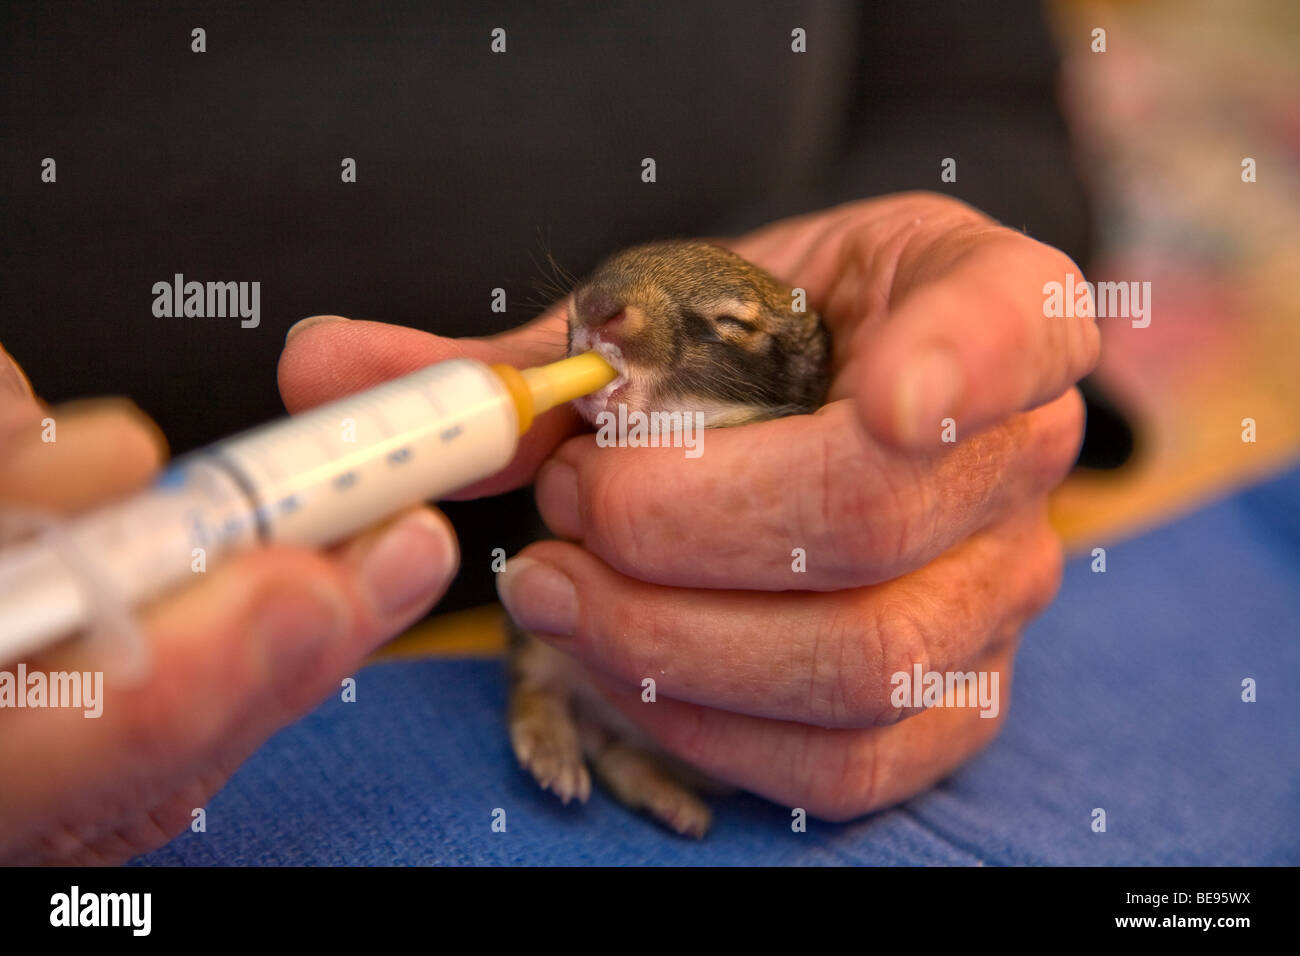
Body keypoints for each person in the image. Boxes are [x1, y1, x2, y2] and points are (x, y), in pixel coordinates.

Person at [0, 2, 1098, 862]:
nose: (607, 327)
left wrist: (947, 369)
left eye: (710, 327)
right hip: (152, 587)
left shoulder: (771, 377)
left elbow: (976, 96)